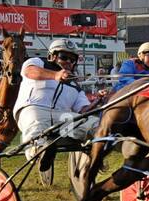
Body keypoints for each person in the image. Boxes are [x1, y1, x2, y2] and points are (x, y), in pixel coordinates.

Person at [14, 37, 93, 169]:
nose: (68, 62)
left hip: (62, 118)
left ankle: (99, 150)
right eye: (64, 57)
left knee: (91, 123)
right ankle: (38, 152)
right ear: (52, 56)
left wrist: (98, 102)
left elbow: (83, 110)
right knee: (35, 124)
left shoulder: (74, 85)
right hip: (34, 109)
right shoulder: (38, 63)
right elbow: (29, 71)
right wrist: (55, 75)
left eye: (72, 59)